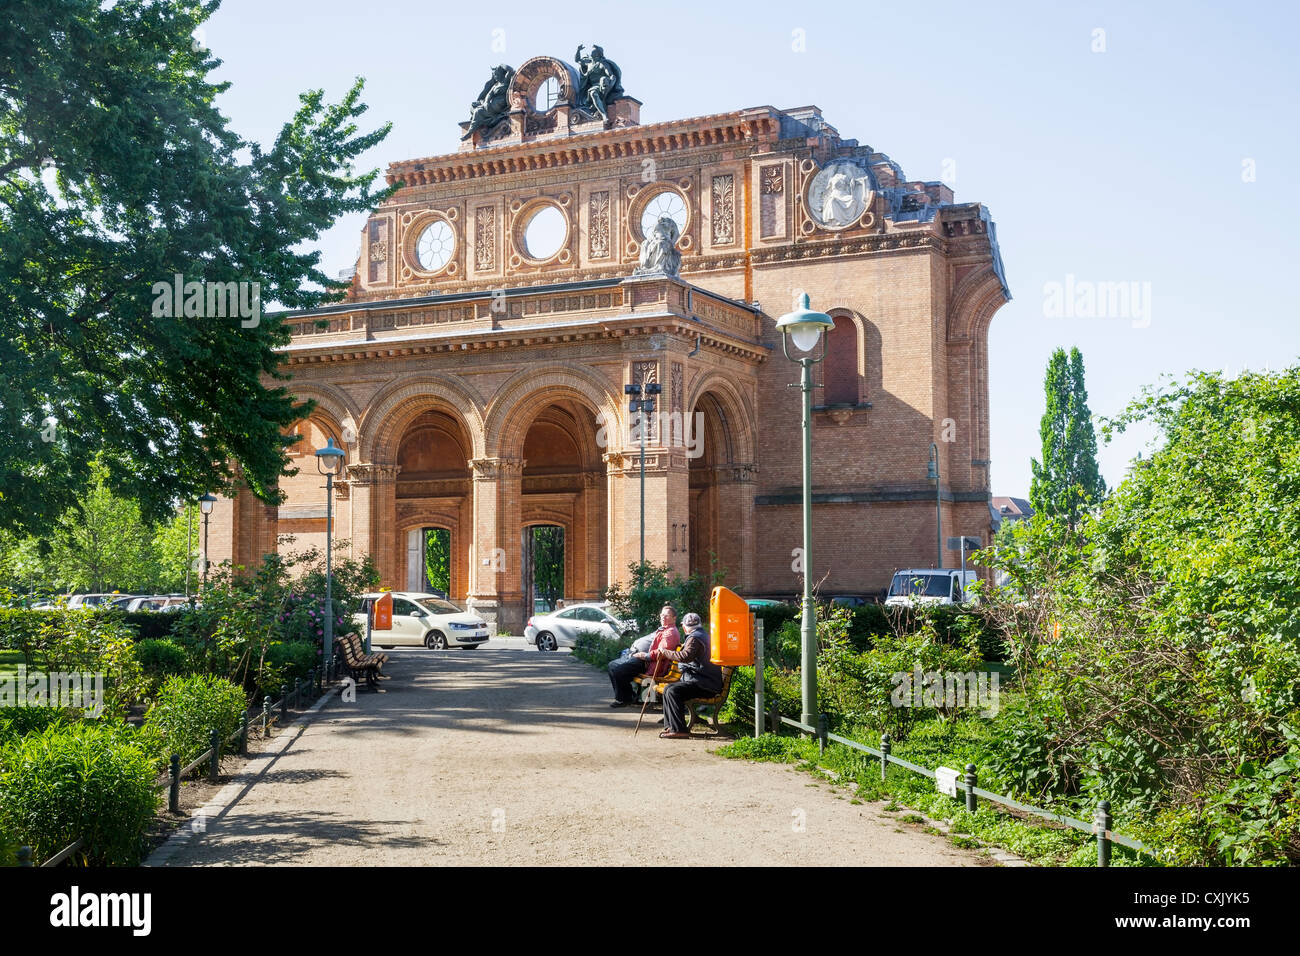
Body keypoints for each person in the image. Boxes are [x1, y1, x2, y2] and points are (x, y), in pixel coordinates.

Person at [650, 611, 723, 738]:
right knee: (670, 689)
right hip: (705, 681)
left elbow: (685, 656)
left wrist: (665, 652)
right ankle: (671, 727)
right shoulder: (701, 635)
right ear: (700, 624)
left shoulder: (695, 638)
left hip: (705, 685)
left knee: (673, 691)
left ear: (684, 627)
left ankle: (679, 730)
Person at [607, 605, 680, 707]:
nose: (663, 617)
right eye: (662, 615)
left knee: (619, 671)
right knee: (612, 665)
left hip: (647, 662)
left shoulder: (671, 632)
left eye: (667, 615)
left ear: (674, 618)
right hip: (637, 656)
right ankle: (627, 696)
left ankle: (624, 699)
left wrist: (645, 655)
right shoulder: (664, 629)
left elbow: (662, 652)